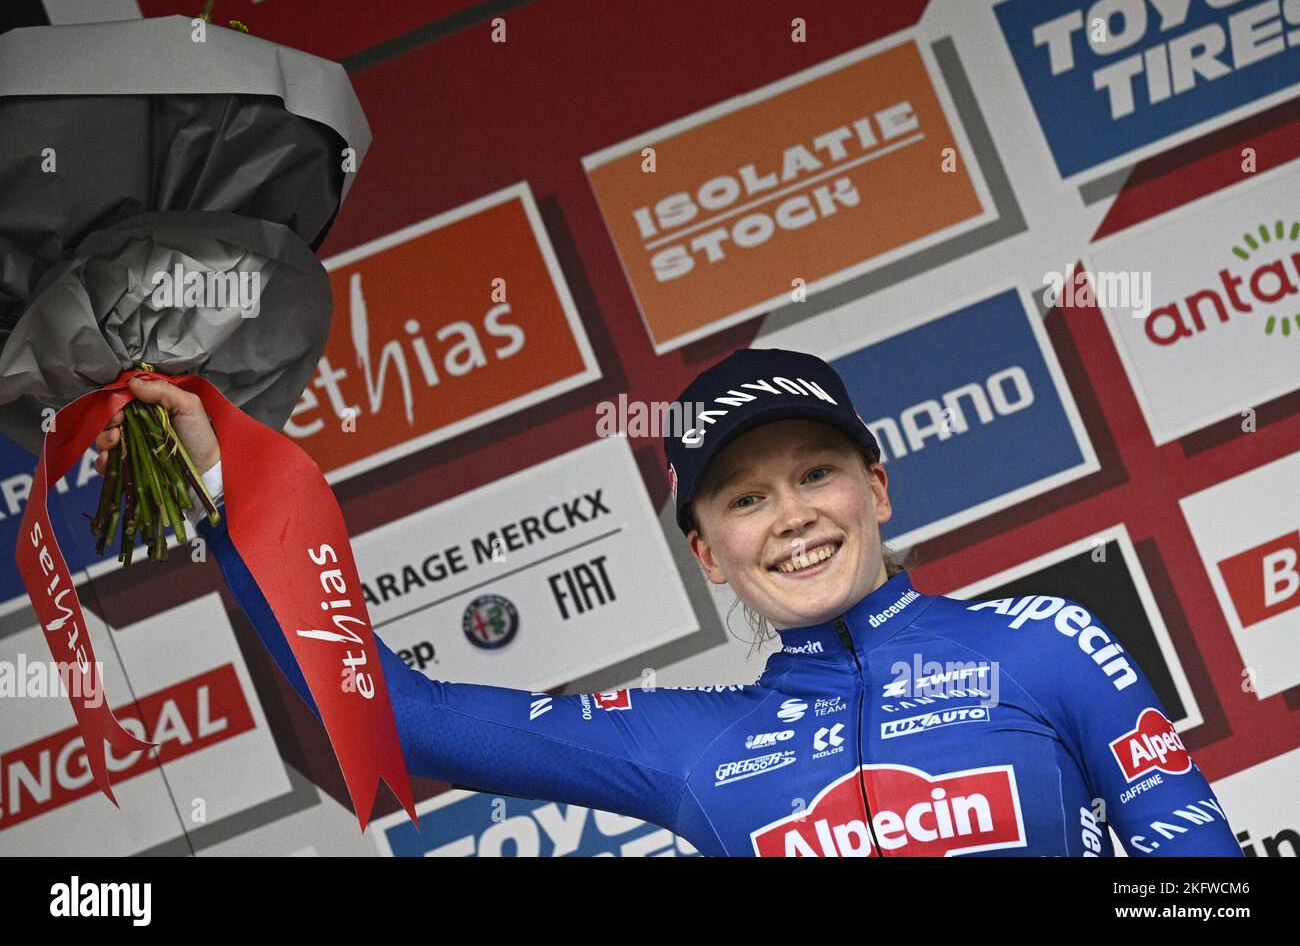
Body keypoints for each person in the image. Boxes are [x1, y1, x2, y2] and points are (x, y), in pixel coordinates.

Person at [94, 349, 1242, 856]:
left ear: (876, 486)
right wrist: (224, 483)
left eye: (815, 472)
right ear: (706, 550)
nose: (790, 514)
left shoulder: (1042, 644)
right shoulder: (689, 744)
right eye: (745, 496)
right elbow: (399, 708)